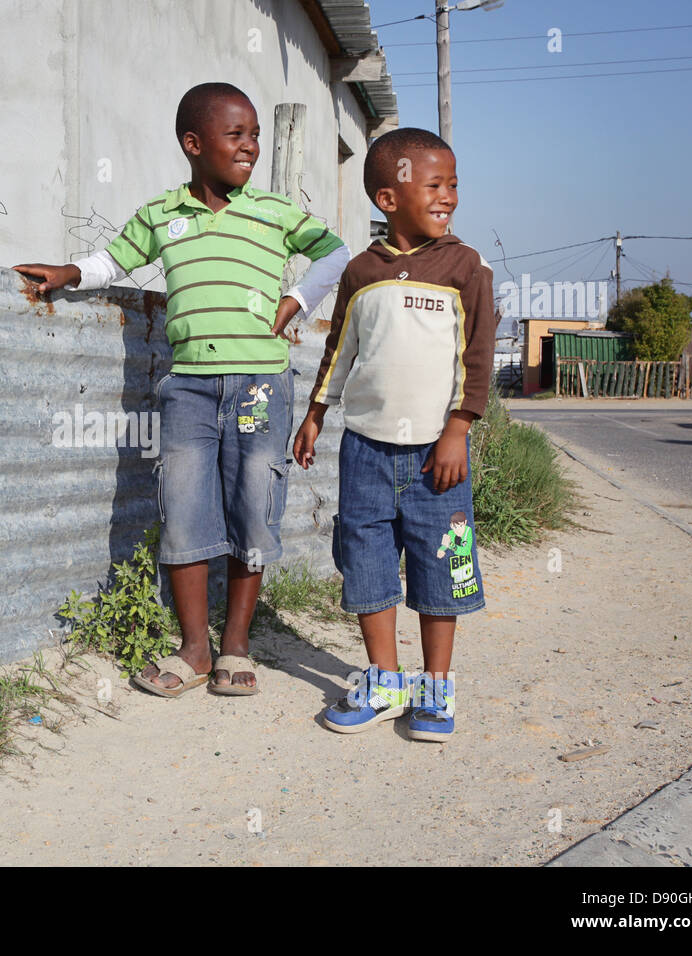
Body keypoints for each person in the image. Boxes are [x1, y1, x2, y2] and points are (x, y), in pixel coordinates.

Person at [15, 82, 349, 697]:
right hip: (189, 388)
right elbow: (115, 262)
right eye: (236, 135)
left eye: (254, 134)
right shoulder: (162, 215)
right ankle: (195, 649)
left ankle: (236, 646)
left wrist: (299, 298)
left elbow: (336, 252)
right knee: (185, 507)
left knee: (254, 504)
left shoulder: (274, 212)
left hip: (258, 386)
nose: (250, 145)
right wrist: (69, 272)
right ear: (193, 145)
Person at [292, 126, 496, 740]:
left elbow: (478, 356)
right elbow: (339, 350)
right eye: (435, 185)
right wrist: (316, 411)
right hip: (365, 451)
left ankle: (436, 691)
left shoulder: (466, 267)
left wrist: (459, 428)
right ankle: (384, 680)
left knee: (443, 566)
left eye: (454, 185)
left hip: (438, 457)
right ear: (388, 198)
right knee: (367, 560)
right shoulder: (360, 272)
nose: (449, 196)